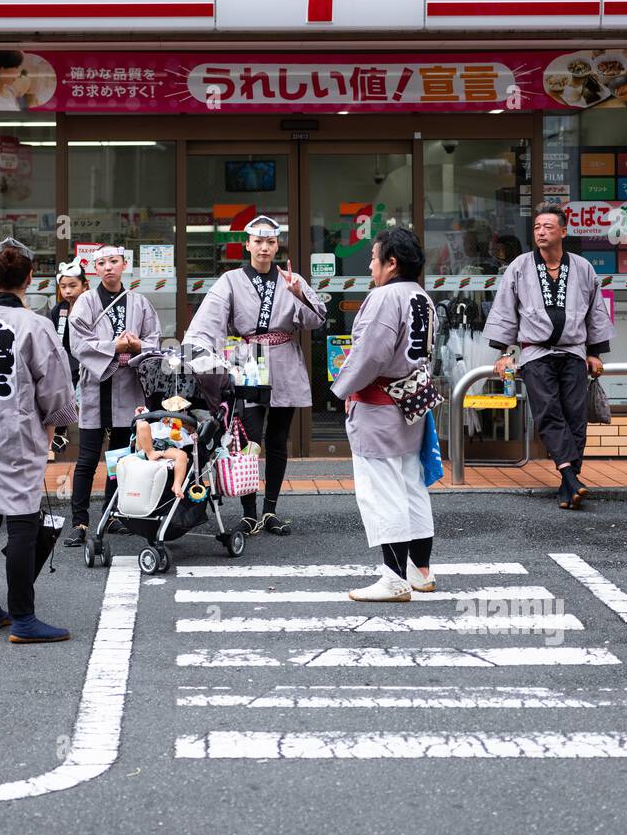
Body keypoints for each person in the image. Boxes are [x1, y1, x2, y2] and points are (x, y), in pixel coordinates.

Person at [0, 239, 79, 643]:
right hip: (16, 431)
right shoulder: (34, 325)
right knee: (22, 520)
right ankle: (23, 617)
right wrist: (55, 429)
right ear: (30, 279)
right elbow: (57, 388)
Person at [183, 215, 325, 535]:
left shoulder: (291, 279)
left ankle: (270, 510)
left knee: (277, 440)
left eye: (270, 242)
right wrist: (201, 356)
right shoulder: (230, 280)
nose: (264, 247)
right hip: (249, 358)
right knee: (249, 439)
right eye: (258, 242)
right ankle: (249, 512)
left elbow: (317, 319)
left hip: (285, 358)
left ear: (277, 246)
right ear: (246, 244)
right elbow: (209, 321)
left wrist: (299, 292)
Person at [331, 228, 439, 601]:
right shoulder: (421, 297)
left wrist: (340, 389)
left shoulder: (383, 297)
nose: (370, 266)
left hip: (379, 406)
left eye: (374, 259)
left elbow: (370, 354)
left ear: (391, 263)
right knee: (410, 484)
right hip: (411, 403)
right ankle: (420, 571)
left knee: (382, 491)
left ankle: (394, 578)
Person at [483, 204, 614, 509]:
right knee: (549, 413)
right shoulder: (520, 266)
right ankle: (571, 478)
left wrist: (595, 352)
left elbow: (595, 312)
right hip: (535, 353)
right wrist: (504, 353)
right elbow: (505, 309)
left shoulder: (583, 268)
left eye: (548, 227)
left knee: (576, 417)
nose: (541, 232)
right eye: (537, 227)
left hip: (573, 351)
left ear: (563, 232)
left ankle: (569, 483)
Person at [64, 246, 161, 547]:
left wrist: (137, 346)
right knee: (87, 459)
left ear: (124, 265)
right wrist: (115, 347)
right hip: (96, 386)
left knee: (122, 457)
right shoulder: (86, 302)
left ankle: (114, 512)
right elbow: (78, 343)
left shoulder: (140, 302)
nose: (108, 268)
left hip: (128, 386)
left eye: (114, 262)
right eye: (102, 263)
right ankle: (80, 522)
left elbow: (154, 339)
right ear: (95, 269)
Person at [46, 259, 88, 454]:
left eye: (73, 285)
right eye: (63, 287)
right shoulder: (59, 309)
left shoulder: (91, 307)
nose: (68, 291)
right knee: (63, 401)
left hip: (87, 362)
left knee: (86, 403)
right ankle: (59, 438)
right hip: (65, 364)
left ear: (84, 285)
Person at [132, 405, 193, 503]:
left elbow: (190, 442)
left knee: (182, 455)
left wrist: (194, 435)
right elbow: (143, 429)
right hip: (147, 444)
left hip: (166, 448)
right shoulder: (161, 423)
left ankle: (176, 484)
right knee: (142, 425)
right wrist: (139, 416)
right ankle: (150, 453)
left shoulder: (184, 433)